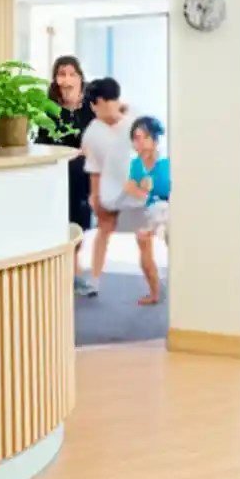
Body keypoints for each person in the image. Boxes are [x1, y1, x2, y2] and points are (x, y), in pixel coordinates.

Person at [35, 55, 99, 296]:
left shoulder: (91, 109)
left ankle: (71, 274)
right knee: (60, 227)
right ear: (55, 80)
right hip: (58, 177)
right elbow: (41, 143)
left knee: (79, 226)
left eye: (72, 74)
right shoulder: (49, 109)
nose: (67, 79)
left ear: (81, 79)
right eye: (62, 74)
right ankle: (67, 276)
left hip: (85, 179)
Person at [80, 77, 136, 297]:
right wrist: (95, 197)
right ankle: (94, 280)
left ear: (99, 102)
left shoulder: (134, 122)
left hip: (138, 189)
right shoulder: (92, 133)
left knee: (147, 236)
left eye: (93, 105)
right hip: (110, 191)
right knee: (104, 232)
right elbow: (94, 168)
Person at [123, 116, 170, 305]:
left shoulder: (168, 162)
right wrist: (141, 189)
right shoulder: (136, 165)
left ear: (155, 140)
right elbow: (131, 189)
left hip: (172, 209)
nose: (138, 143)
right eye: (135, 138)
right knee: (142, 238)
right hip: (149, 210)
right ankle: (154, 293)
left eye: (143, 137)